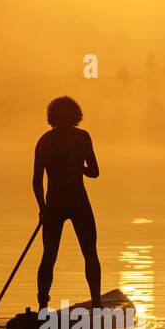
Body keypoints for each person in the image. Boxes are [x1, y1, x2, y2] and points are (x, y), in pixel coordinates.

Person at [33, 97, 101, 311]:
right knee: (88, 253)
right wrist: (43, 209)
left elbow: (36, 181)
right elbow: (94, 172)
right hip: (74, 202)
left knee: (50, 256)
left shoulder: (45, 141)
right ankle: (96, 304)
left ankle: (43, 306)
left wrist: (43, 208)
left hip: (56, 204)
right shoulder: (81, 138)